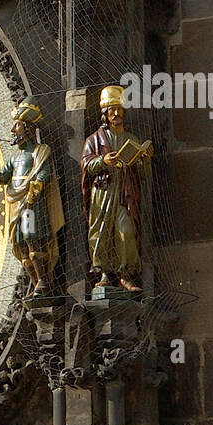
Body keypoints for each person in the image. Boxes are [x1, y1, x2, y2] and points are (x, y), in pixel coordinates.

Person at [0, 99, 63, 296]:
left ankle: (44, 282)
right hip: (18, 204)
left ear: (28, 128)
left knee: (32, 239)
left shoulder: (40, 151)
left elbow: (44, 172)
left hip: (32, 204)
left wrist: (37, 187)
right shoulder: (15, 157)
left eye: (17, 125)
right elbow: (4, 176)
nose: (13, 130)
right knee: (20, 244)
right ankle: (36, 284)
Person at [81, 84, 153, 293]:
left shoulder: (131, 139)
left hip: (124, 192)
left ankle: (125, 275)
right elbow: (86, 164)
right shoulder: (94, 140)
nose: (116, 114)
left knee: (126, 231)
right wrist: (104, 160)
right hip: (103, 193)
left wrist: (145, 160)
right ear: (105, 114)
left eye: (119, 109)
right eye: (111, 110)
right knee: (101, 232)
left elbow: (143, 175)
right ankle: (103, 273)